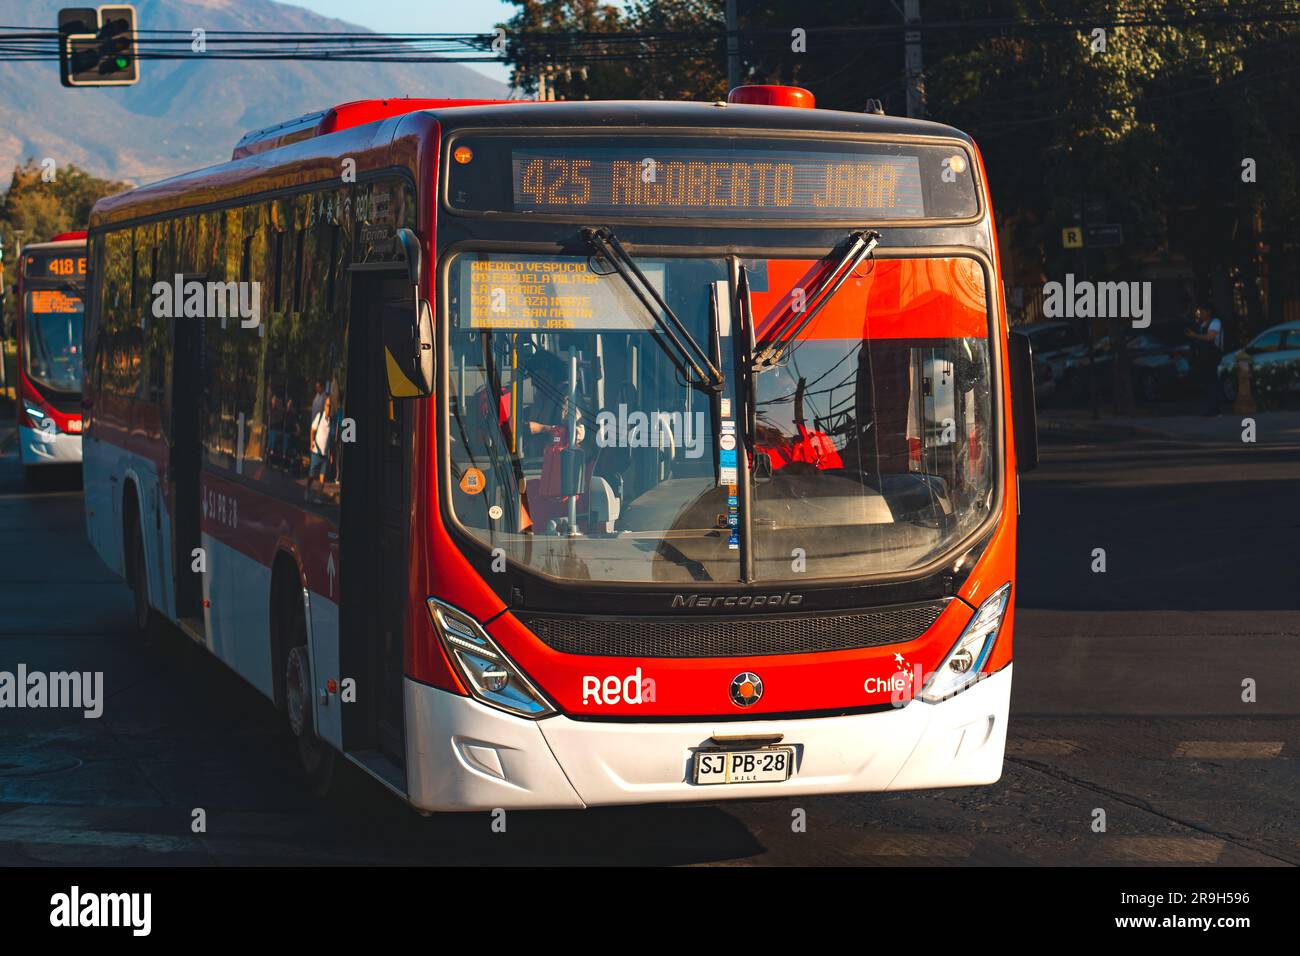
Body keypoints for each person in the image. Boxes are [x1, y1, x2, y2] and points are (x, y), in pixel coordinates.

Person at [1185, 306, 1224, 416]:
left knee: (1212, 381)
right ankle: (1211, 408)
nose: (1200, 313)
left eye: (1202, 311)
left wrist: (1195, 335)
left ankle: (1215, 410)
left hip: (1213, 355)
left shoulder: (1215, 322)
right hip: (1204, 356)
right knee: (1208, 382)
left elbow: (1209, 337)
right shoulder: (1203, 324)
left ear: (1208, 311)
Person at [307, 395, 333, 497]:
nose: (329, 408)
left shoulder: (332, 421)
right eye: (327, 405)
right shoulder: (320, 416)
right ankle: (307, 490)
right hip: (316, 451)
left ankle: (317, 498)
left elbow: (331, 440)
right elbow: (312, 430)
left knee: (322, 478)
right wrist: (311, 443)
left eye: (330, 406)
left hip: (325, 454)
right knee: (312, 476)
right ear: (324, 406)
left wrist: (331, 454)